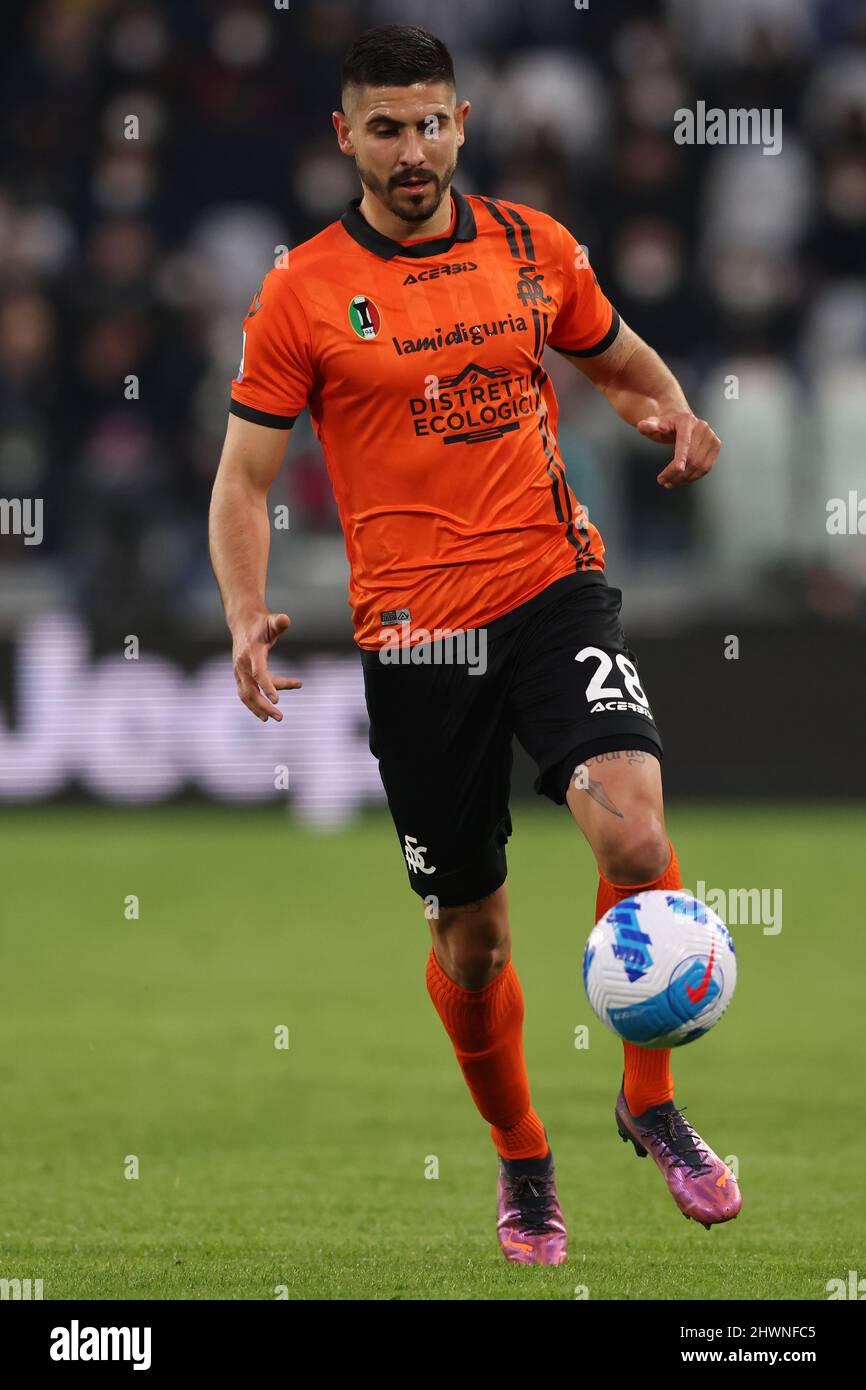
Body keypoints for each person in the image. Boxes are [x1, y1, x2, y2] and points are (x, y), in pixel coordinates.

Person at [208, 23, 740, 1267]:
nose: (411, 149)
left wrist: (670, 411)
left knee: (635, 826)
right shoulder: (299, 291)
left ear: (461, 123)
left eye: (428, 122)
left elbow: (613, 360)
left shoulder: (531, 247)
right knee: (474, 937)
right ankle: (518, 1153)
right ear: (344, 137)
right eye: (383, 128)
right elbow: (243, 478)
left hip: (553, 588)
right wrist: (244, 607)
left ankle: (650, 1100)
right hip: (415, 638)